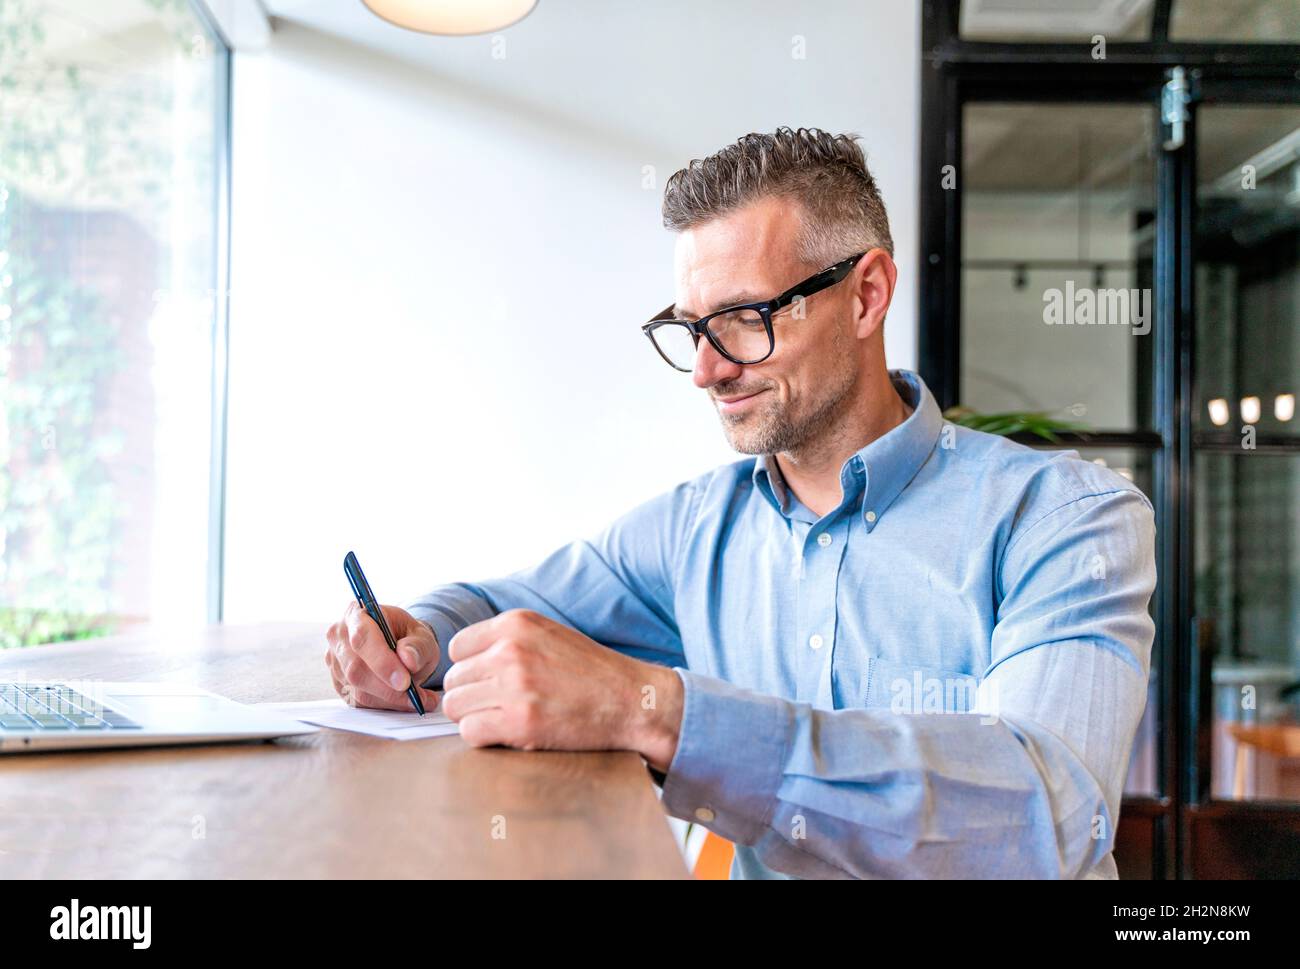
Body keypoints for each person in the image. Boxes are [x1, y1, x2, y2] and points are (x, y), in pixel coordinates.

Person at [324, 126, 1156, 879]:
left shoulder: (1065, 518)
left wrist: (655, 710)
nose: (706, 369)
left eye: (745, 319)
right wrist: (418, 636)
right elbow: (504, 605)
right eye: (692, 328)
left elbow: (1048, 816)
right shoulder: (694, 530)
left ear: (866, 295)